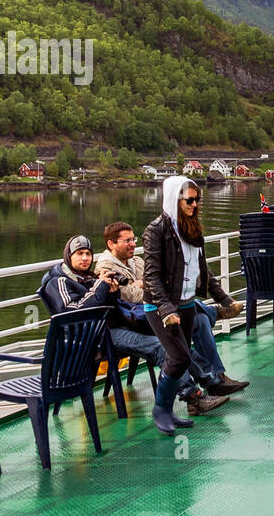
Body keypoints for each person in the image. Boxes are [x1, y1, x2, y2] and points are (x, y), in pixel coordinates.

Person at [39, 235, 207, 408]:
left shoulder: (85, 277)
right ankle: (192, 397)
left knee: (173, 341)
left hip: (109, 329)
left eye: (88, 254)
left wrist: (112, 293)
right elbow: (72, 312)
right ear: (68, 256)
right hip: (91, 340)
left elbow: (105, 308)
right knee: (159, 347)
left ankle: (210, 380)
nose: (85, 258)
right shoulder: (58, 281)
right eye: (79, 254)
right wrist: (100, 286)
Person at [96, 221, 247, 412]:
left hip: (151, 313)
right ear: (111, 244)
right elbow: (135, 296)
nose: (133, 244)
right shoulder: (105, 269)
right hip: (135, 322)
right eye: (127, 241)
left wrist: (144, 285)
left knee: (198, 321)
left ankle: (216, 378)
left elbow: (155, 283)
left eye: (133, 239)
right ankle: (215, 312)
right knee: (174, 339)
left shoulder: (137, 261)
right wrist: (149, 287)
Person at [143, 176, 240, 435]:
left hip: (186, 303)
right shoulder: (157, 230)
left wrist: (225, 300)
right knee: (179, 357)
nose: (194, 204)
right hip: (160, 308)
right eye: (189, 200)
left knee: (181, 360)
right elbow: (152, 275)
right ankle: (161, 410)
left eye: (197, 200)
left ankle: (168, 410)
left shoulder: (192, 228)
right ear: (175, 198)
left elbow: (202, 269)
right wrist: (166, 309)